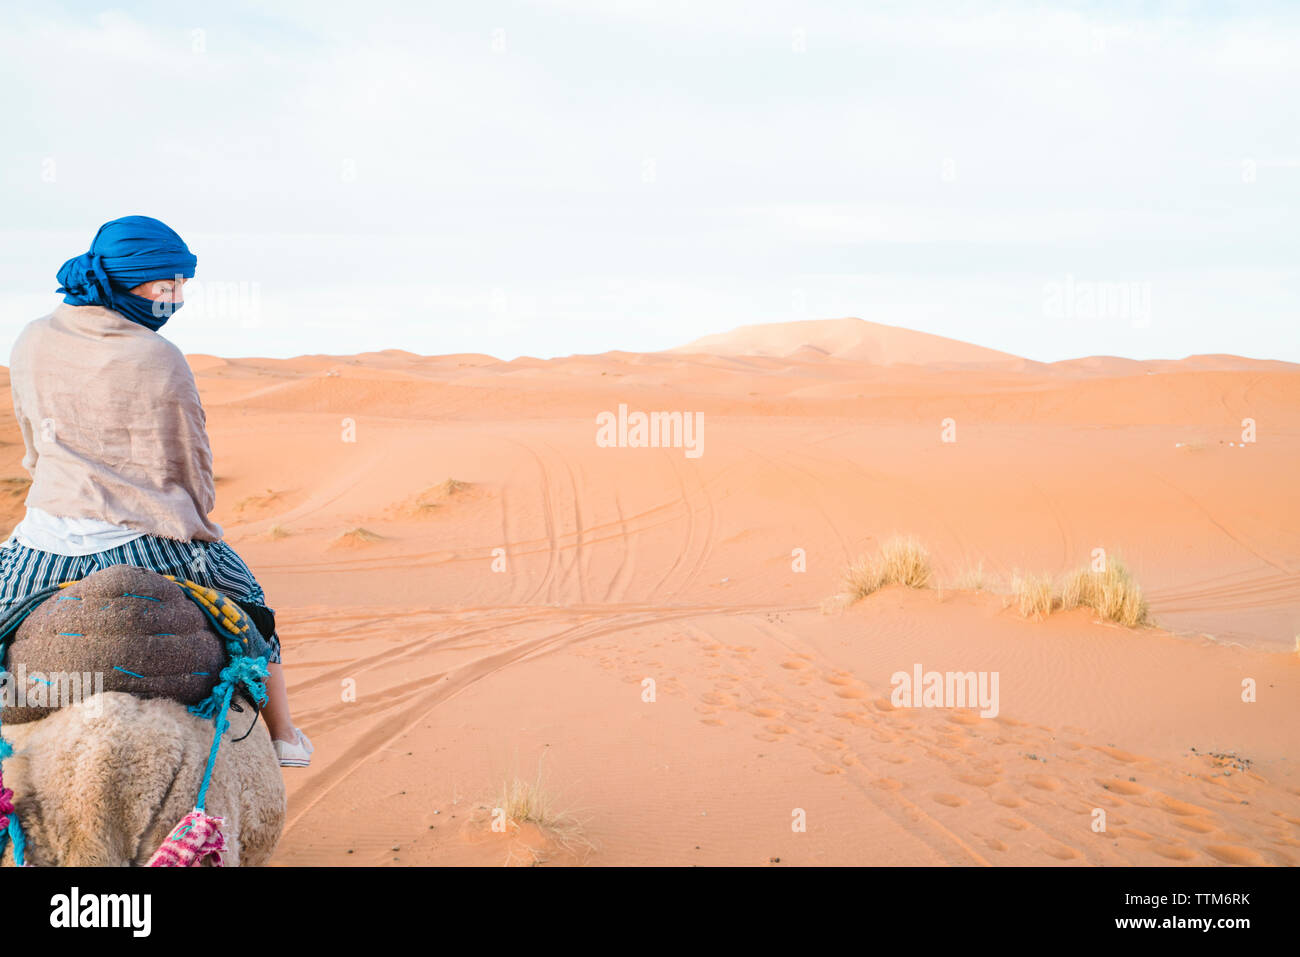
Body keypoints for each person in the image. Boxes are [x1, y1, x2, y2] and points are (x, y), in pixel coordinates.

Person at [1, 215, 312, 767]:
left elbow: (31, 441)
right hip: (145, 538)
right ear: (130, 279)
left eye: (181, 285)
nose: (177, 296)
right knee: (252, 608)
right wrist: (195, 519)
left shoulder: (30, 339)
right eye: (168, 284)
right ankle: (285, 736)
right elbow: (189, 459)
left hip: (44, 538)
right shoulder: (155, 354)